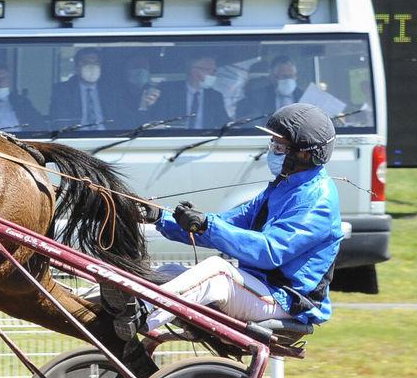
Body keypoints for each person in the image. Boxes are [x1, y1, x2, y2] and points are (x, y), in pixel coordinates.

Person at [141, 103, 344, 333]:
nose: (272, 150)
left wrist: (209, 226)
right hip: (259, 288)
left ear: (304, 154)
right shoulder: (282, 186)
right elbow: (225, 224)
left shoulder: (318, 199)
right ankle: (107, 313)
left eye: (279, 146)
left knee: (217, 271)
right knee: (167, 272)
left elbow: (270, 252)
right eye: (273, 143)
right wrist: (160, 216)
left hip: (287, 301)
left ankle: (141, 315)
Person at [49, 48, 117, 131]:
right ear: (76, 67)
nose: (91, 67)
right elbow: (60, 121)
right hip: (77, 138)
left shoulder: (111, 90)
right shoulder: (63, 91)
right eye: (85, 62)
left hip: (109, 137)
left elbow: (121, 118)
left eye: (96, 62)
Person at [154, 54, 228, 130]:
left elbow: (224, 123)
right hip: (172, 138)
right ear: (194, 71)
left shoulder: (215, 96)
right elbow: (157, 119)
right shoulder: (169, 91)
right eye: (209, 70)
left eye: (214, 70)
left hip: (206, 139)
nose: (213, 74)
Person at [237, 55, 300, 120]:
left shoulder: (304, 96)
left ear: (296, 77)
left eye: (291, 76)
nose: (288, 80)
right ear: (273, 77)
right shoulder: (255, 98)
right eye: (284, 76)